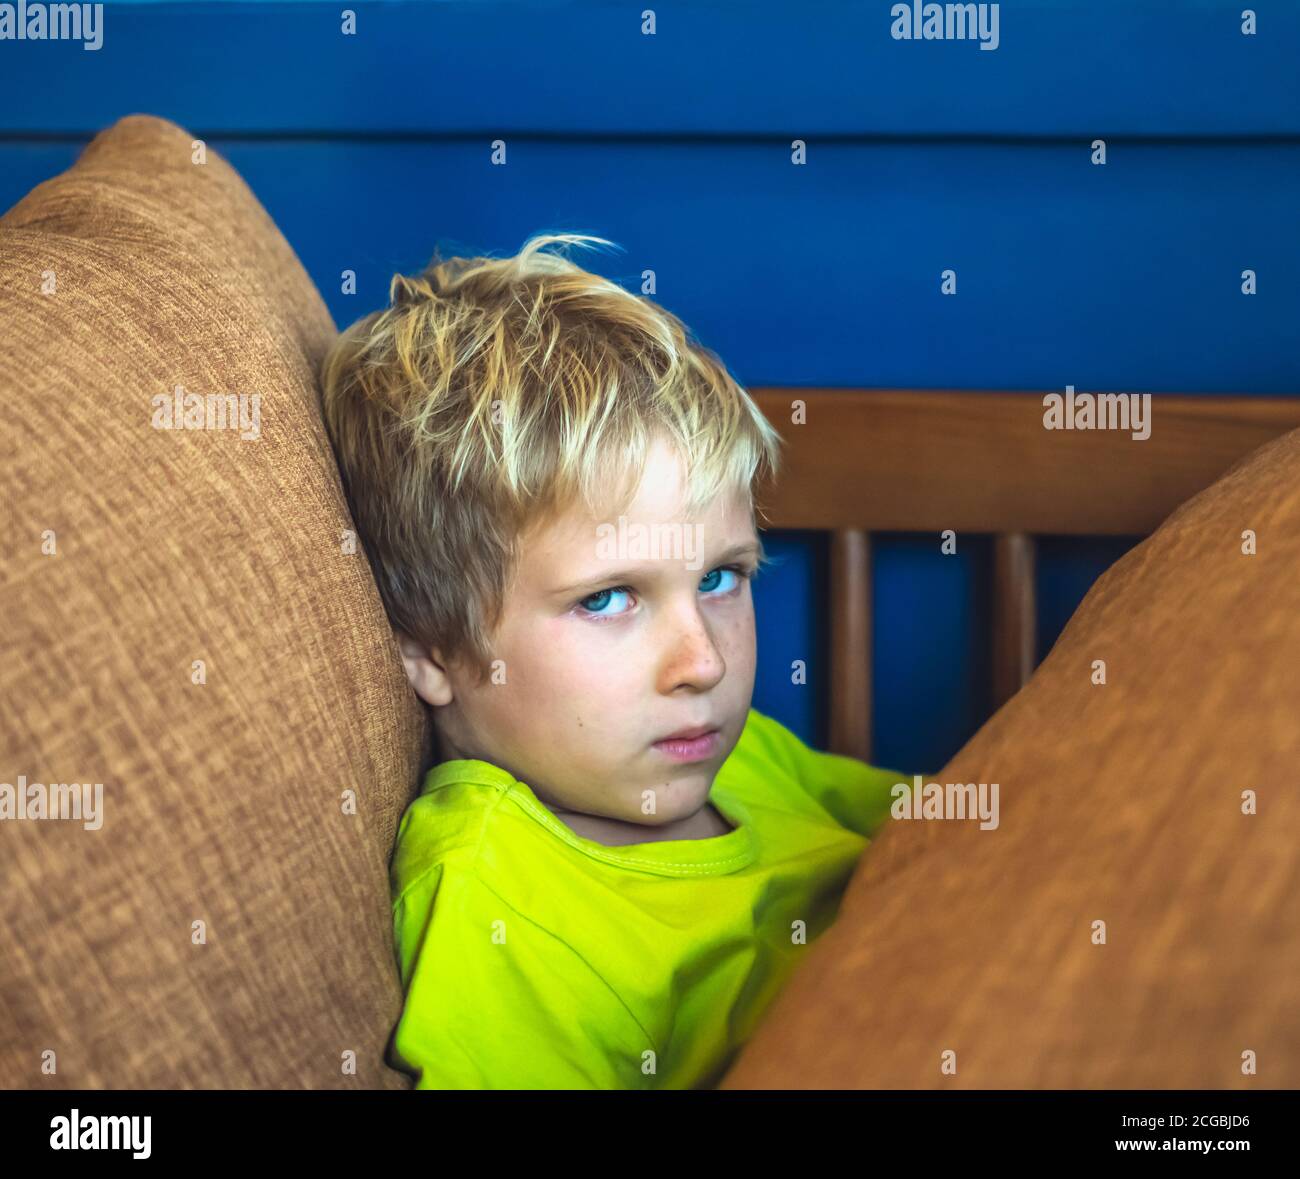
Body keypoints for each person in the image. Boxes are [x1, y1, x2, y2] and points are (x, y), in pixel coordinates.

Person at [320, 232, 907, 1089]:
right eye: (607, 598)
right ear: (431, 648)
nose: (701, 662)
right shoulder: (500, 906)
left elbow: (974, 834)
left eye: (719, 577)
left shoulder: (732, 751)